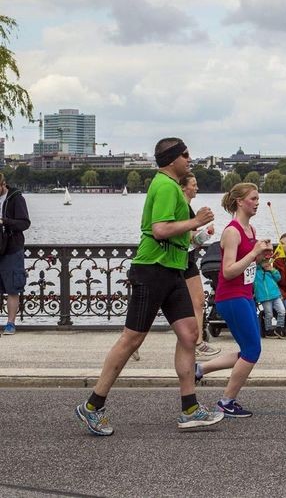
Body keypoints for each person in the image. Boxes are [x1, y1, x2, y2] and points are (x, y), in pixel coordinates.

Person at [74, 137, 224, 435]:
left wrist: (192, 232)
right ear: (171, 159)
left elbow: (173, 233)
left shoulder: (169, 185)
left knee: (189, 334)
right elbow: (159, 230)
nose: (189, 159)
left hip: (172, 270)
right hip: (153, 269)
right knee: (132, 340)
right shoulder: (166, 186)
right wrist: (196, 222)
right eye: (185, 155)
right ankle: (92, 407)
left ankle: (190, 409)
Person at [194, 182, 273, 417]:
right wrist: (253, 253)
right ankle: (226, 402)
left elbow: (248, 264)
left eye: (258, 199)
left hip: (245, 295)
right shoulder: (232, 231)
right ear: (240, 201)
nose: (257, 203)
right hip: (231, 297)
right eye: (253, 199)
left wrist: (262, 258)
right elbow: (227, 271)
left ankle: (200, 370)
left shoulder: (251, 230)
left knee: (247, 350)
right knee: (252, 351)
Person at [180, 172, 220, 359]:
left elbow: (193, 241)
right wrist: (201, 231)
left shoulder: (188, 209)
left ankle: (198, 342)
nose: (197, 188)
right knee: (155, 304)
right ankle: (135, 339)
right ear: (183, 187)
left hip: (188, 259)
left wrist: (206, 234)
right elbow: (187, 237)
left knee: (198, 301)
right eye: (193, 184)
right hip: (176, 261)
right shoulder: (181, 208)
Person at [0, 173, 30, 335]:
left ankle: (10, 323)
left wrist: (5, 221)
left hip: (12, 248)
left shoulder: (16, 198)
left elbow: (25, 223)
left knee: (13, 288)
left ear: (3, 184)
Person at [255, 257, 285, 338]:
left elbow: (278, 278)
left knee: (282, 311)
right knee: (269, 314)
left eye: (267, 262)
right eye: (264, 262)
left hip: (275, 294)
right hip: (264, 297)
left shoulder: (271, 270)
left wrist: (272, 270)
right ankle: (268, 330)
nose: (267, 264)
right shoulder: (256, 271)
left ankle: (279, 328)